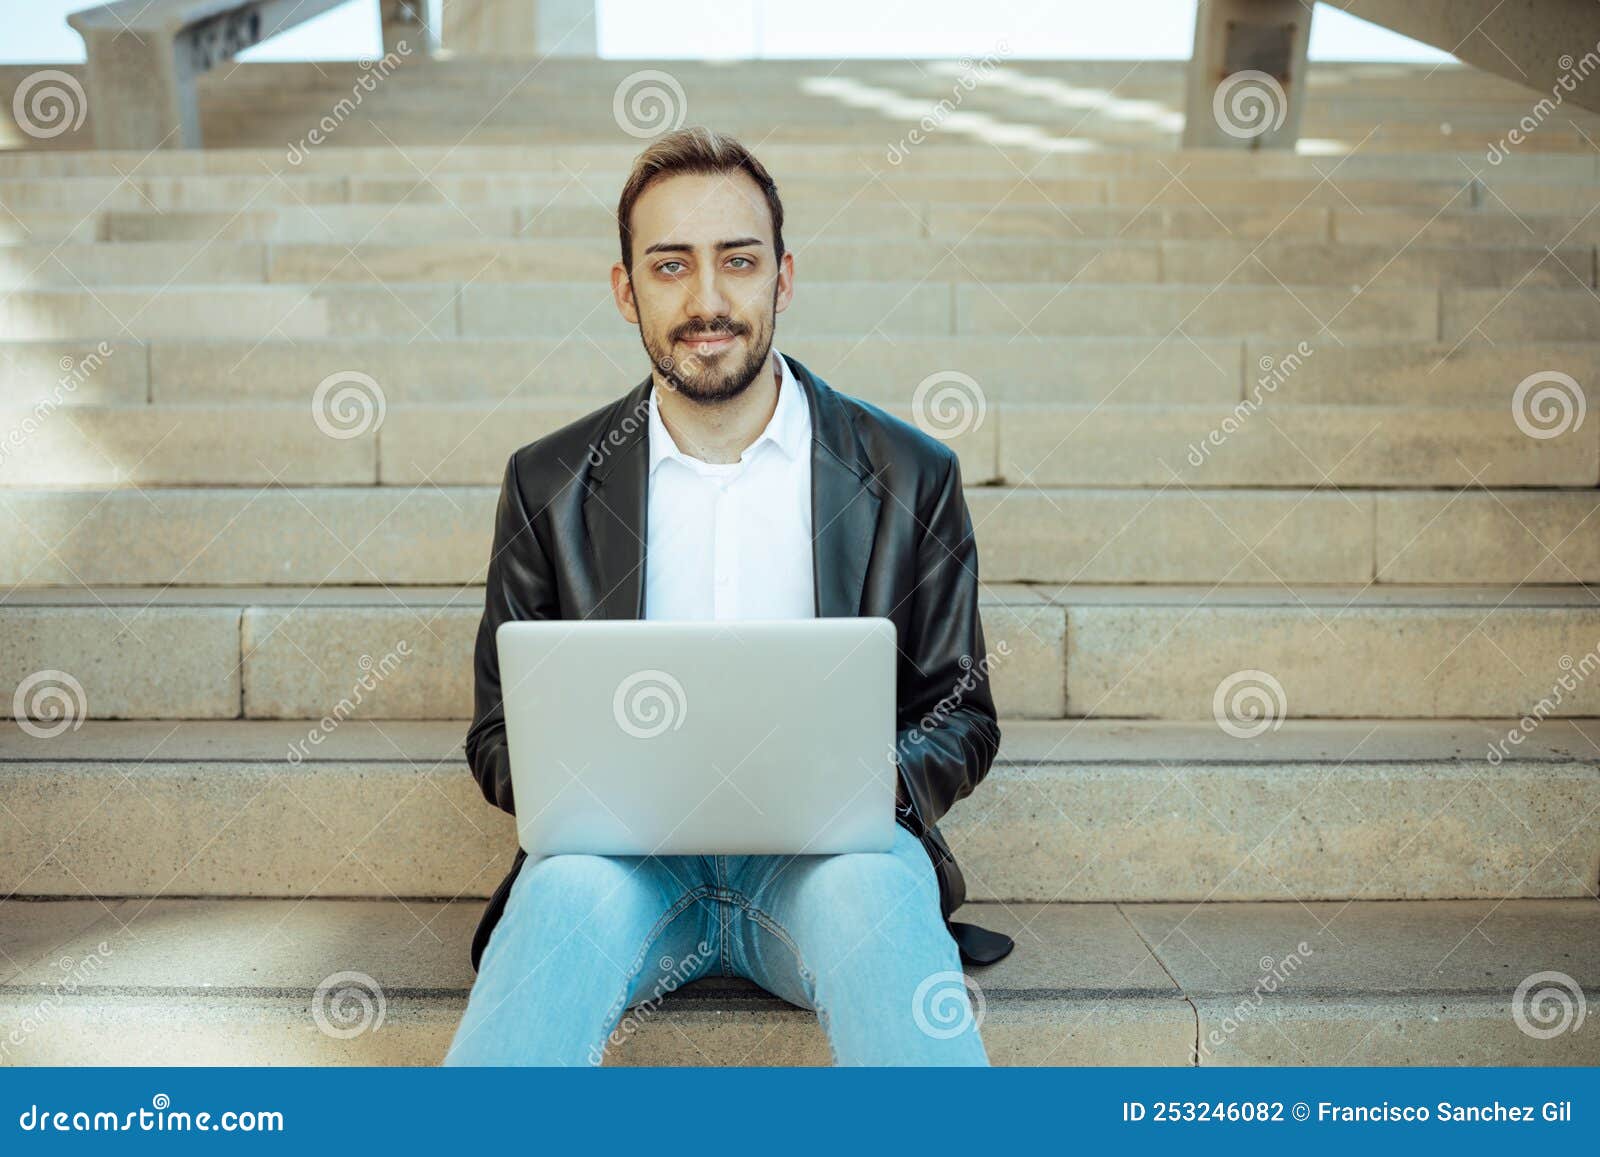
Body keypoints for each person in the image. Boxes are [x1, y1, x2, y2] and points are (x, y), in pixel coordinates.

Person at [444, 126, 1013, 1067]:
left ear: (783, 277)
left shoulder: (913, 476)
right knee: (563, 894)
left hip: (829, 866)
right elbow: (494, 735)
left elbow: (965, 715)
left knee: (875, 894)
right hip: (615, 868)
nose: (708, 301)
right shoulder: (545, 482)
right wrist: (579, 782)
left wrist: (856, 786)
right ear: (626, 289)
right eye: (671, 266)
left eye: (737, 261)